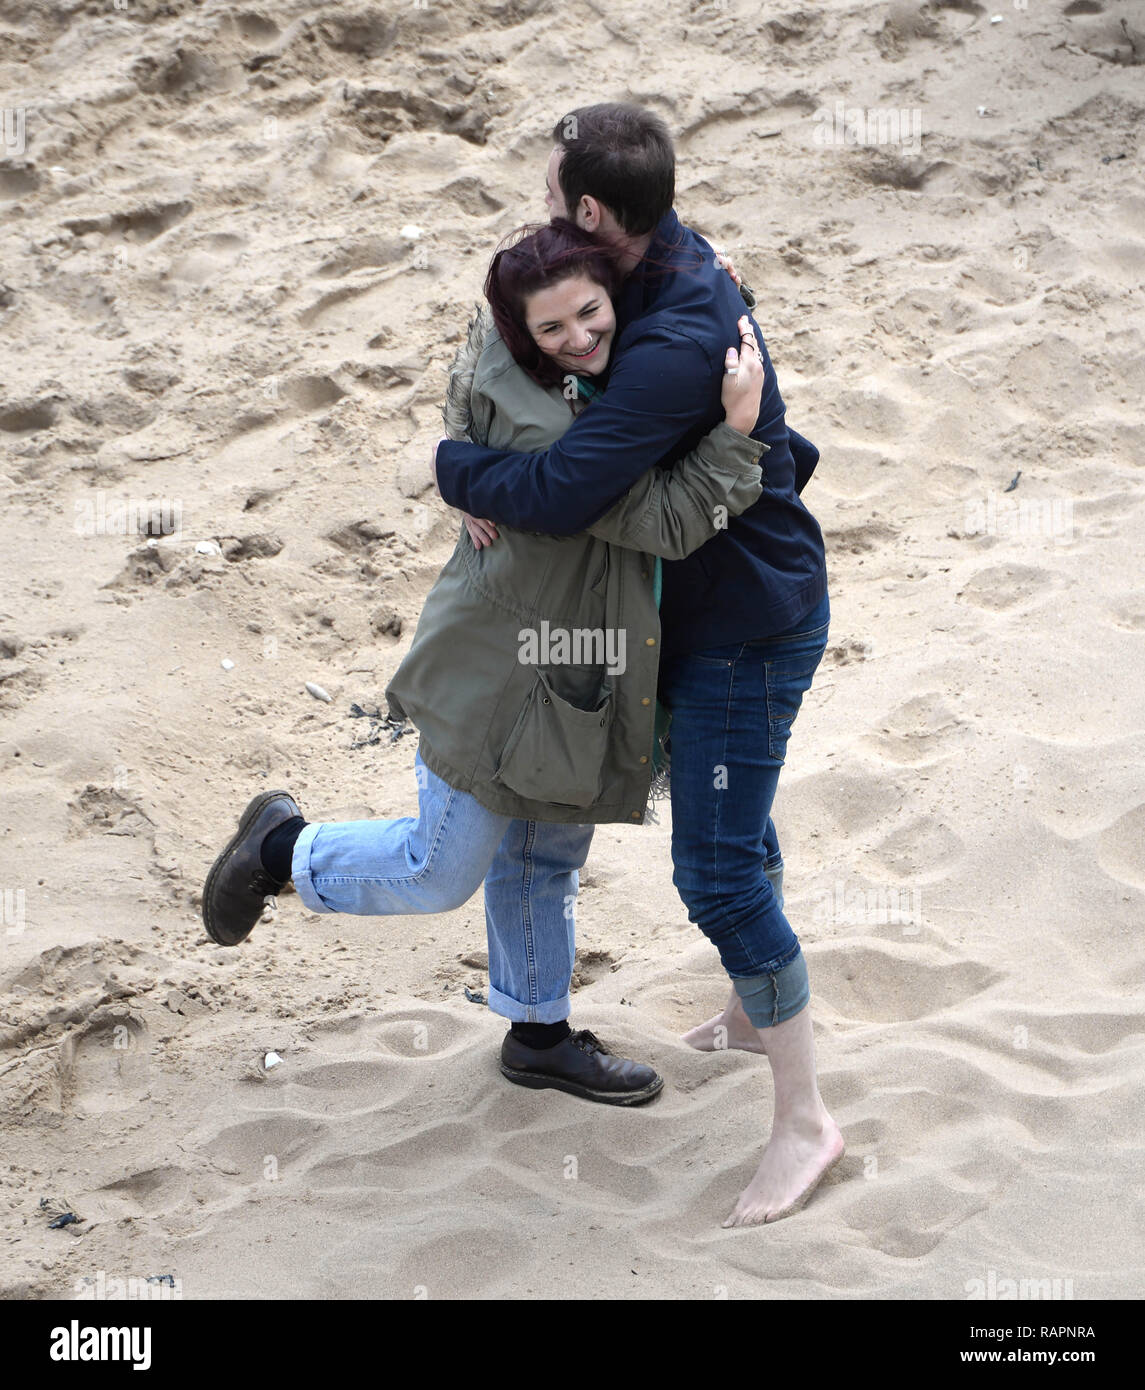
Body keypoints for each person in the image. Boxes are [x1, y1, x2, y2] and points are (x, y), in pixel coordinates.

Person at [201, 217, 769, 1111]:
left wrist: (703, 271)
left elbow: (627, 308)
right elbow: (665, 520)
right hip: (499, 669)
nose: (578, 337)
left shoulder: (545, 357)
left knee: (543, 857)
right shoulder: (551, 428)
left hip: (576, 666)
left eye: (591, 312)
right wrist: (737, 429)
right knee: (438, 867)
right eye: (553, 328)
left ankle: (537, 1037)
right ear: (520, 332)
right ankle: (278, 848)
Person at [433, 103, 845, 1226]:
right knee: (736, 825)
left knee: (713, 871)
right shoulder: (649, 256)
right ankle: (751, 1015)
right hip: (704, 615)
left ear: (590, 210)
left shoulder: (669, 345)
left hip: (744, 626)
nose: (539, 203)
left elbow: (571, 492)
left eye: (549, 188)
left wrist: (453, 469)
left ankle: (804, 1119)